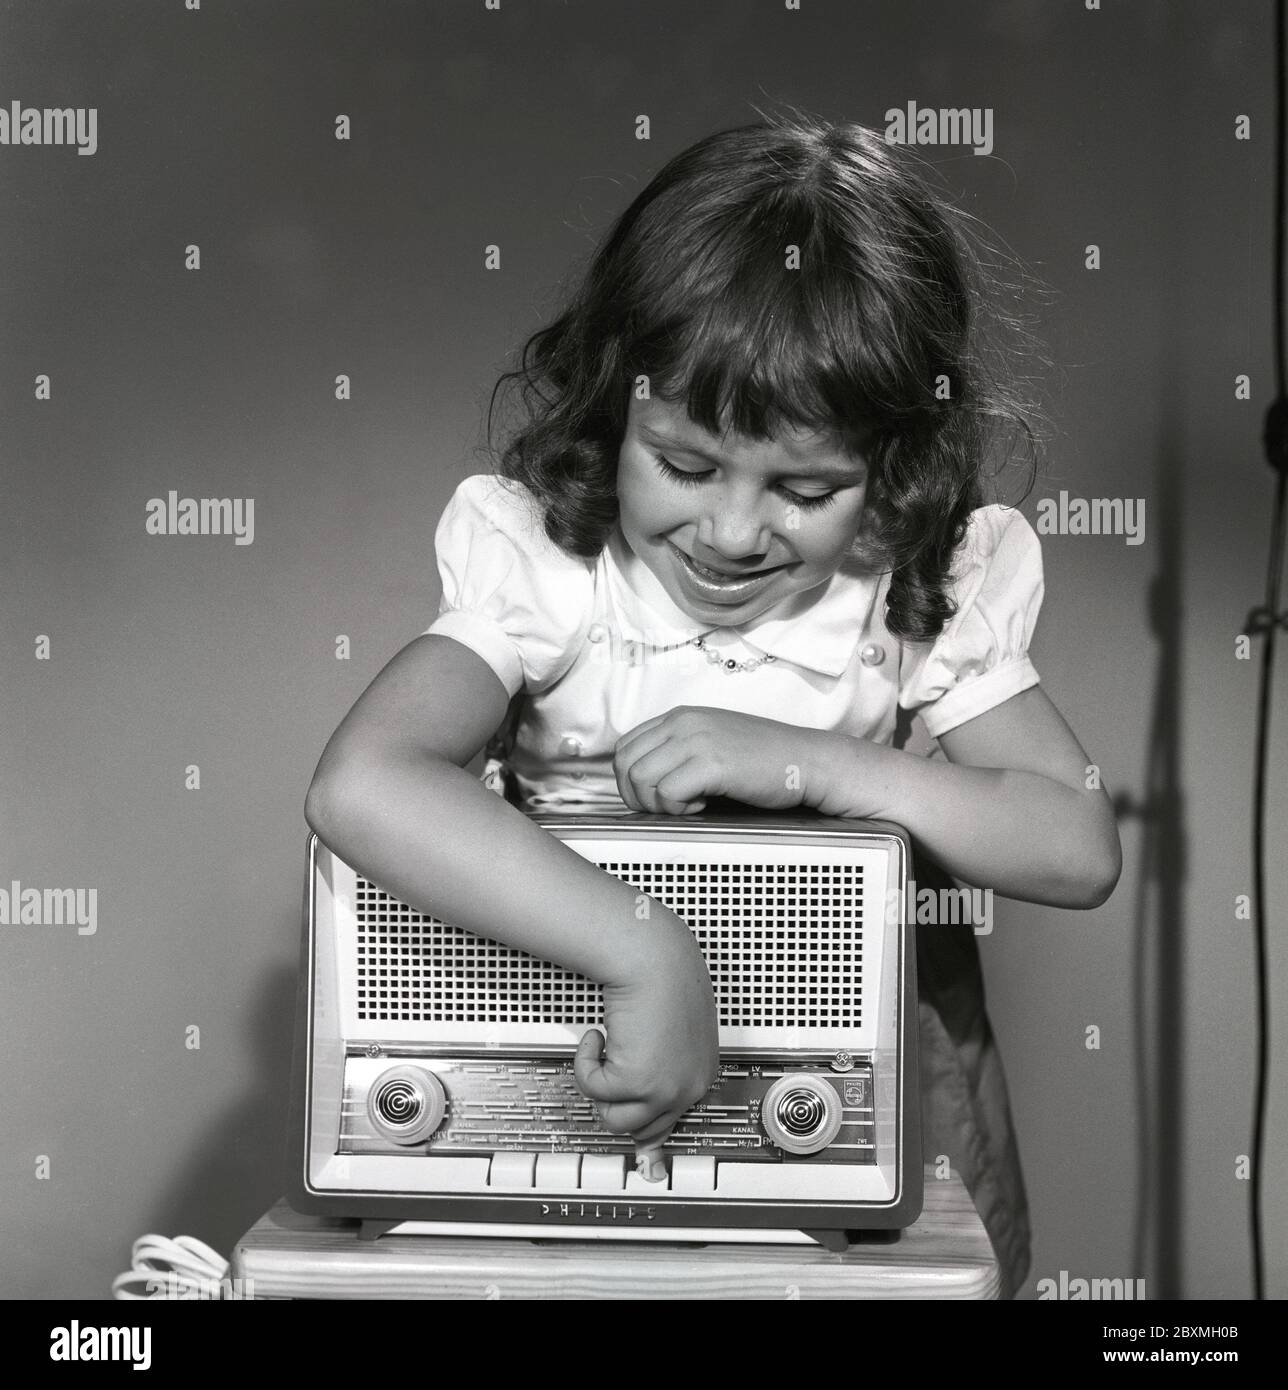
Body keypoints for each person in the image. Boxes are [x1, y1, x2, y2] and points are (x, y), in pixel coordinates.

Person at [304, 111, 1122, 1300]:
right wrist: (646, 955)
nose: (735, 532)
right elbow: (361, 781)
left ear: (894, 468)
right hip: (588, 1045)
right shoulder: (549, 564)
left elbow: (1075, 842)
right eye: (684, 466)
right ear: (610, 408)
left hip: (864, 1071)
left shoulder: (917, 582)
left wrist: (818, 764)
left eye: (807, 488)